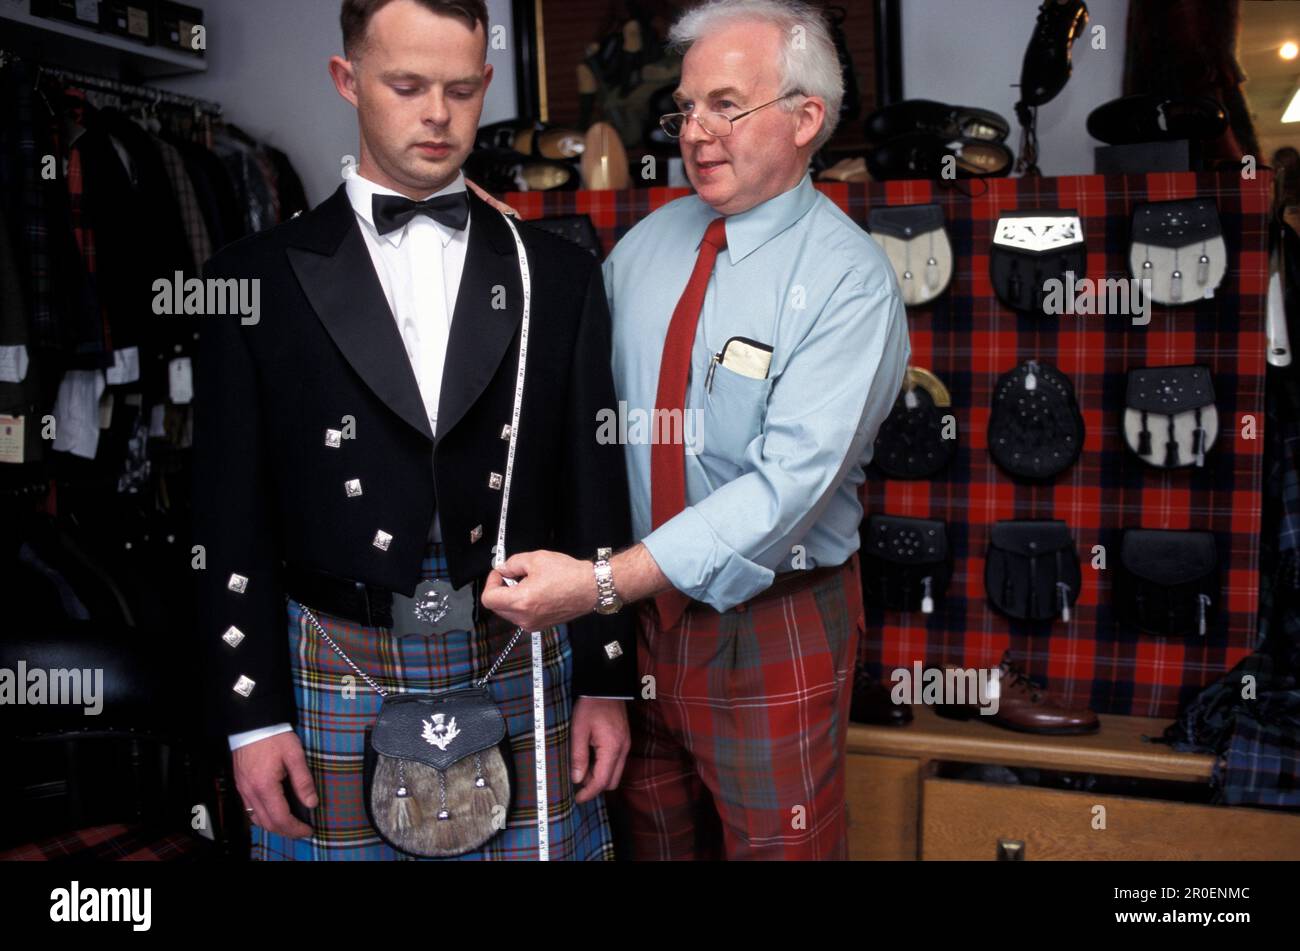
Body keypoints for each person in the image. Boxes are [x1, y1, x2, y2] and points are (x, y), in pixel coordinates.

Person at [192, 0, 635, 861]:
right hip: (335, 649)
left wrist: (609, 676)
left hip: (518, 644)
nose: (437, 113)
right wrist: (251, 717)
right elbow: (225, 517)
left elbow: (594, 486)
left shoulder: (560, 273)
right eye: (406, 85)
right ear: (346, 80)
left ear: (485, 86)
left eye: (461, 89)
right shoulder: (252, 282)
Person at [483, 0, 910, 860]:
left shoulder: (849, 283)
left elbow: (782, 491)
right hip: (635, 621)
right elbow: (573, 383)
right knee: (652, 842)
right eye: (686, 108)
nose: (696, 131)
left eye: (726, 105)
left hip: (770, 621)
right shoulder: (645, 245)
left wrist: (601, 584)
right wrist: (498, 249)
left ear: (805, 118)